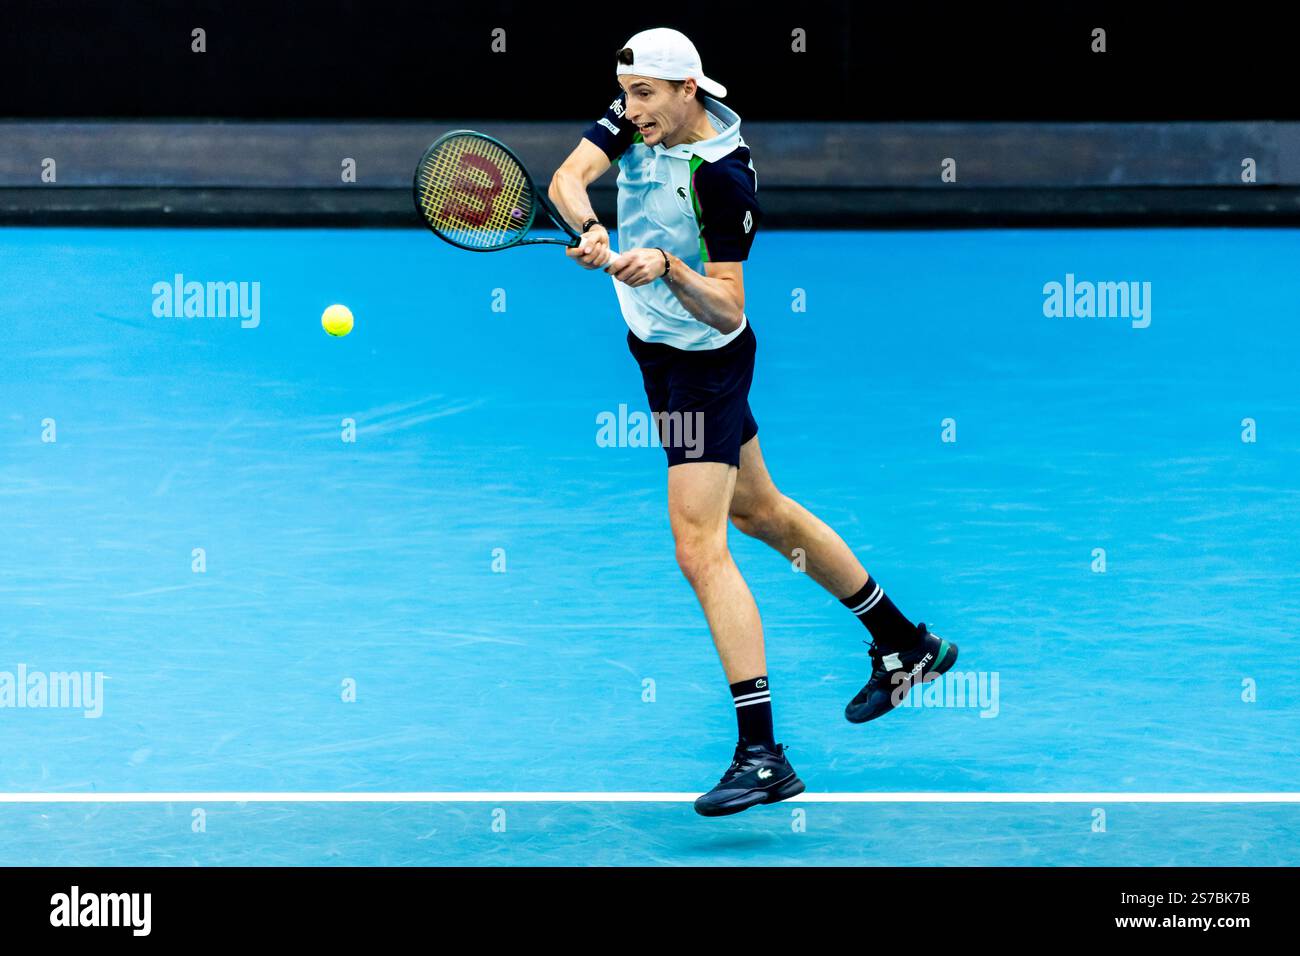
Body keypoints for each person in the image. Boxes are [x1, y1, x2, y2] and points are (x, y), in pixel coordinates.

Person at [547, 27, 957, 817]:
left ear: (687, 92)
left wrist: (667, 269)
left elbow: (731, 306)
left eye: (645, 96)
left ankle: (762, 754)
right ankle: (906, 644)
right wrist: (590, 229)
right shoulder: (636, 118)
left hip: (704, 363)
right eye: (625, 94)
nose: (630, 111)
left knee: (700, 548)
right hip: (658, 351)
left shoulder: (723, 181)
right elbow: (570, 177)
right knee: (762, 510)